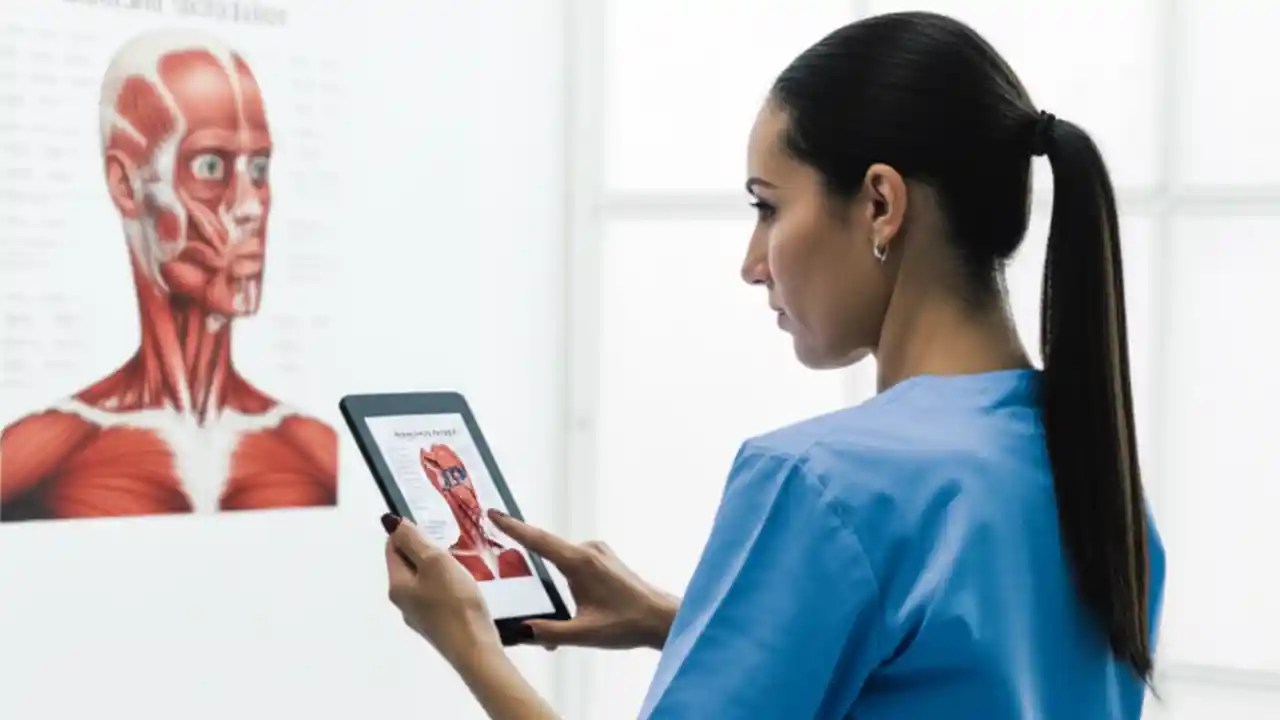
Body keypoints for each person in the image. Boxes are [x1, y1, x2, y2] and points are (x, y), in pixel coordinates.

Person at [377, 11, 1165, 719]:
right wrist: (679, 622)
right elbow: (940, 676)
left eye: (768, 206)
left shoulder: (823, 482)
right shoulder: (1098, 485)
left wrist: (470, 646)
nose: (754, 264)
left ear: (881, 206)